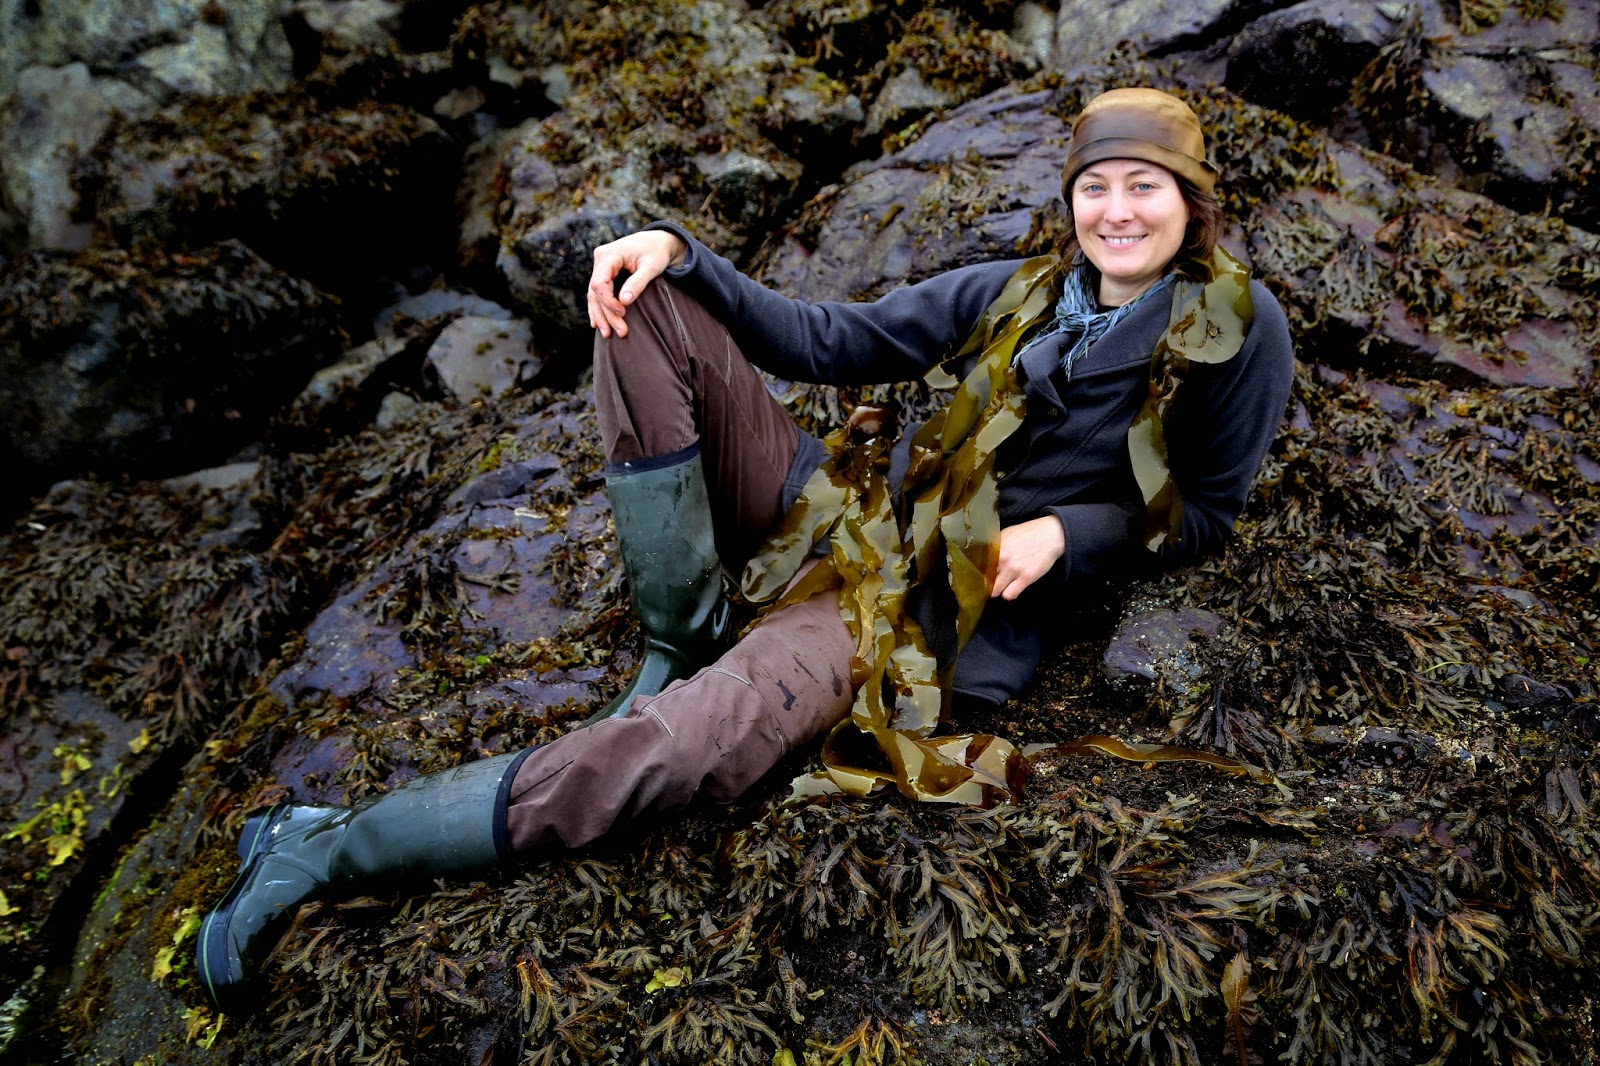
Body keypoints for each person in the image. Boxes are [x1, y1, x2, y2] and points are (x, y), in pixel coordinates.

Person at [195, 87, 1294, 1010]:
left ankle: (320, 844)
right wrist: (683, 252)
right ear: (1069, 199)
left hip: (900, 616)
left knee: (678, 751)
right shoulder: (1013, 295)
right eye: (1094, 185)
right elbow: (832, 338)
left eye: (1143, 185)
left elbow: (1203, 514)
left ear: (1190, 202)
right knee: (651, 306)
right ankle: (685, 630)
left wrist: (1066, 530)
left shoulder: (1240, 329)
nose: (1115, 209)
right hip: (836, 513)